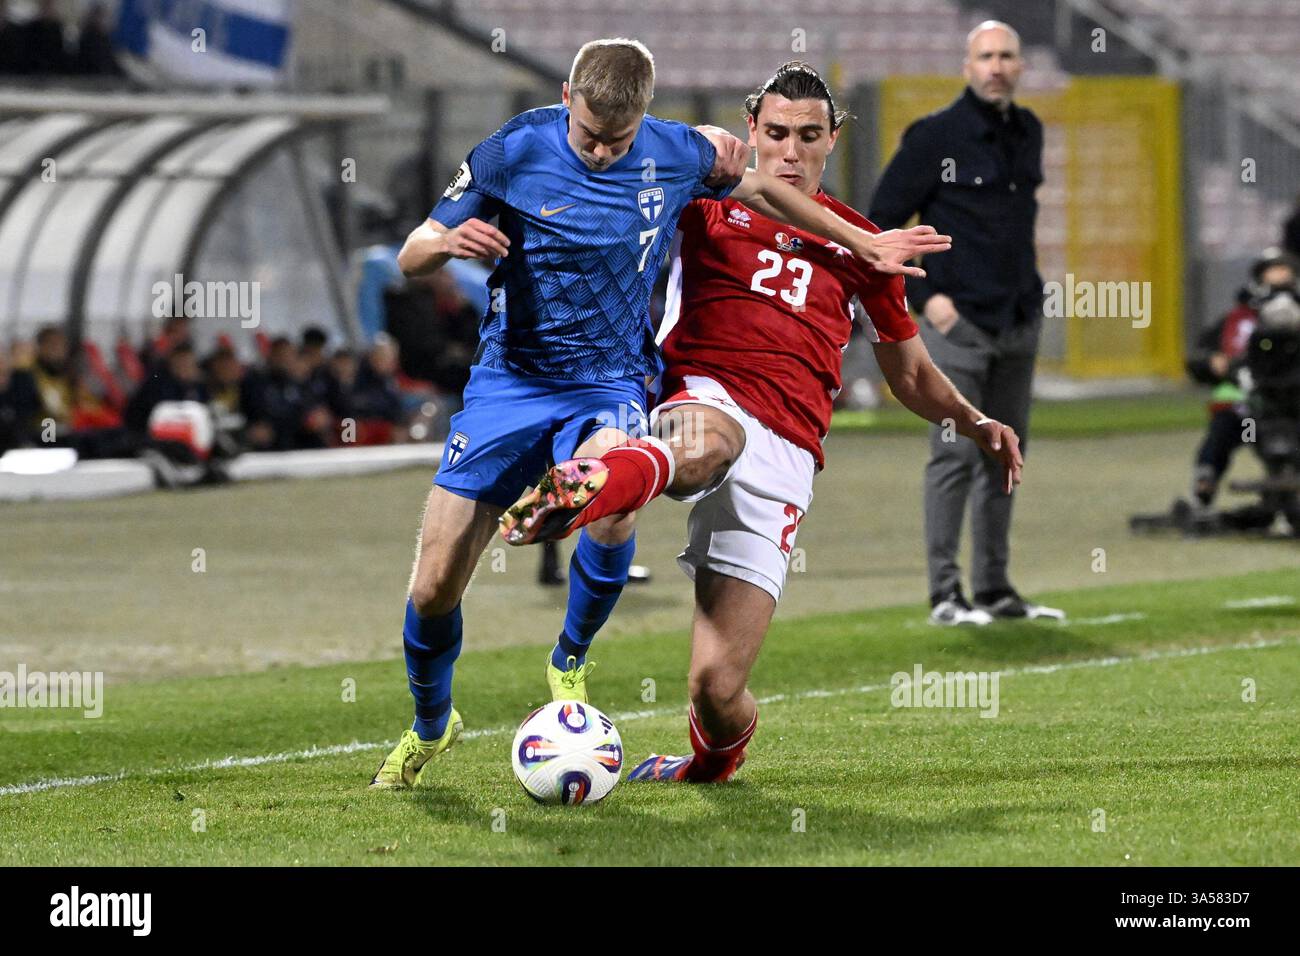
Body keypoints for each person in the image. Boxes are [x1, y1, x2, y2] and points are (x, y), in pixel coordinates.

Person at [369, 37, 949, 790]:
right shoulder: (513, 147)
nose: (604, 153)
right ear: (569, 97)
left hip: (611, 378)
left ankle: (570, 658)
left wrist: (862, 240)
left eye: (619, 140)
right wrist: (444, 243)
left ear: (643, 115)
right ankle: (430, 723)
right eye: (589, 137)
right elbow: (412, 250)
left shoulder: (677, 152)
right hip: (509, 382)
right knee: (433, 586)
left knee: (613, 494)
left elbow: (765, 191)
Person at [504, 61, 1018, 782]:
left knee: (715, 690)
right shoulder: (703, 203)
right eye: (775, 133)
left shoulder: (863, 241)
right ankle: (590, 483)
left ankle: (704, 769)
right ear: (751, 130)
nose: (790, 151)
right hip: (704, 393)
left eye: (809, 136)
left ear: (832, 138)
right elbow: (623, 157)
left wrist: (971, 418)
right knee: (708, 440)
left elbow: (908, 373)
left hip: (789, 450)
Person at [868, 21, 1062, 626]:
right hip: (959, 323)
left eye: (1007, 55)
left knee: (1006, 452)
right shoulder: (934, 136)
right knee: (953, 455)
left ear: (1021, 66)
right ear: (967, 65)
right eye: (986, 56)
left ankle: (997, 589)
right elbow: (880, 225)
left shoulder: (1028, 131)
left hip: (1018, 316)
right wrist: (929, 302)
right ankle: (946, 595)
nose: (997, 66)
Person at [1186, 248, 1299, 508]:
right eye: (1273, 270)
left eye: (1284, 270)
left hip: (1294, 411)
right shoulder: (1237, 320)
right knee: (1226, 427)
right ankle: (1206, 484)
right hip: (1252, 416)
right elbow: (1200, 359)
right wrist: (1213, 363)